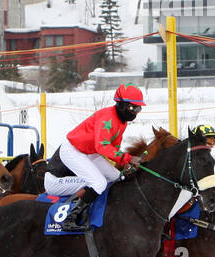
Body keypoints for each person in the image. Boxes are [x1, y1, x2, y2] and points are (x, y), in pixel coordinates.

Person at [43, 84, 145, 231]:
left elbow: (113, 149)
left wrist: (124, 163)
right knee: (99, 183)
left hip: (88, 152)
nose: (136, 112)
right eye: (133, 108)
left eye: (138, 108)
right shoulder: (107, 117)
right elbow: (102, 147)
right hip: (72, 151)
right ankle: (70, 218)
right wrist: (128, 159)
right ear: (122, 105)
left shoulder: (121, 122)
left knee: (116, 177)